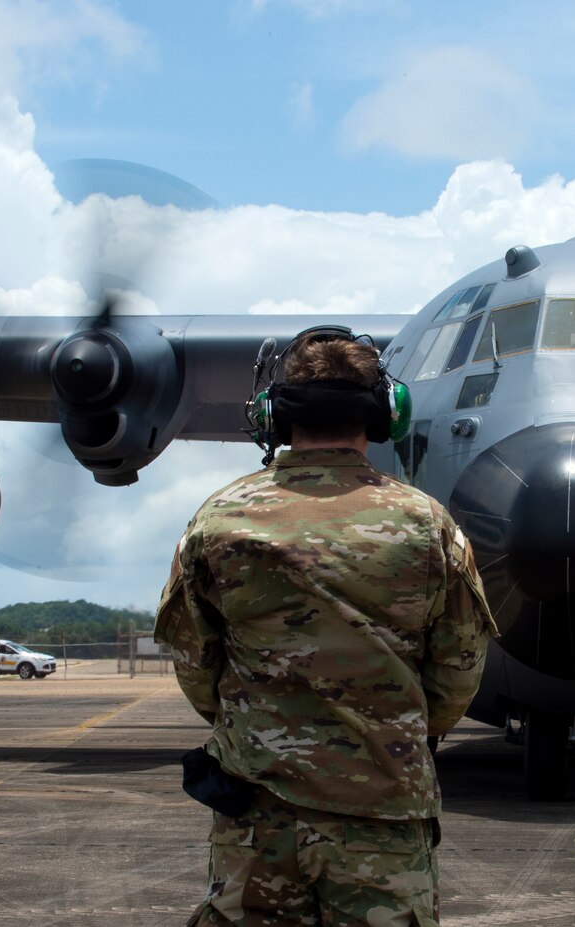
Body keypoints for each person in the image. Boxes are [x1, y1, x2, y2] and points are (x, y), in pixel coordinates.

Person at [155, 327, 495, 927]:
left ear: (272, 414)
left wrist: (261, 728)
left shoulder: (220, 519)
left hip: (255, 816)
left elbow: (196, 667)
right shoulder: (426, 525)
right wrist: (393, 732)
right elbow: (457, 673)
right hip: (383, 815)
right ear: (385, 413)